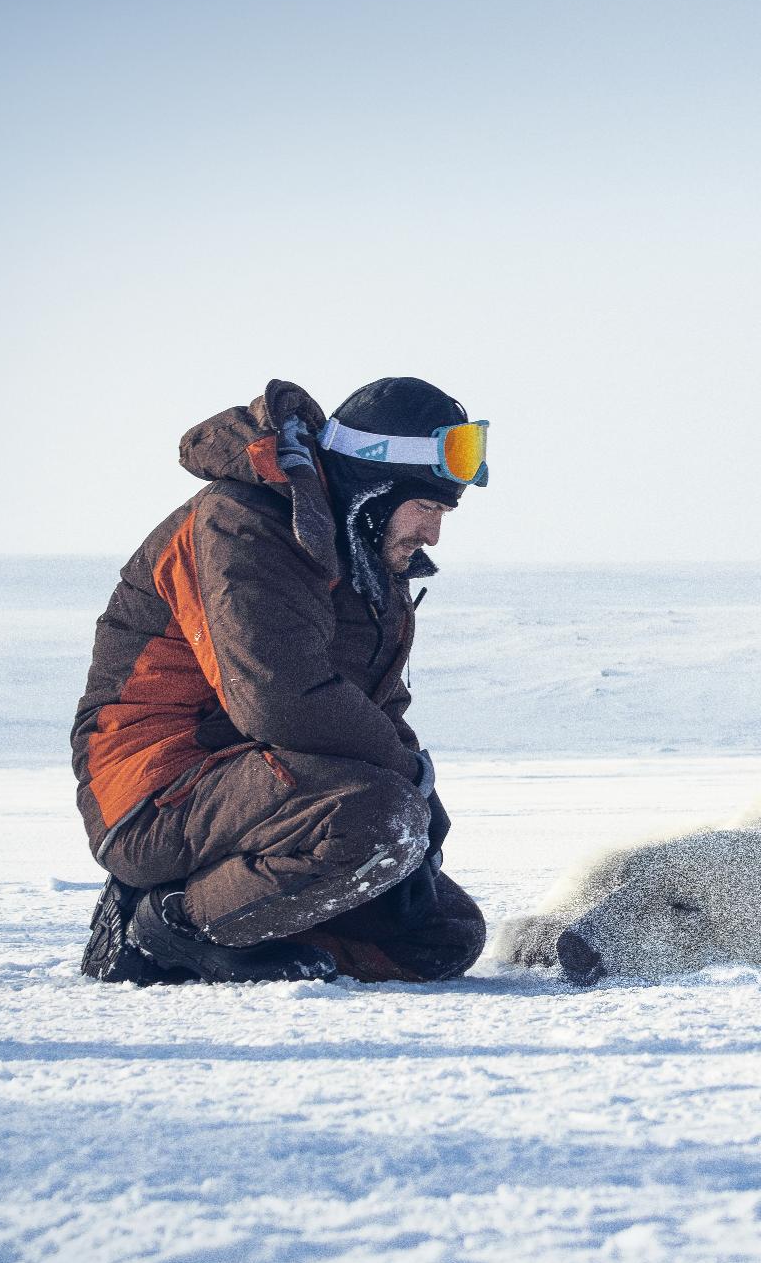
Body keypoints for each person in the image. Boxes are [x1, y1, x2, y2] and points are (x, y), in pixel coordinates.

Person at [71, 377, 491, 984]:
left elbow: (374, 703)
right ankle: (164, 925)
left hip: (262, 788)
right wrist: (406, 782)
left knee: (442, 937)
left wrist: (421, 793)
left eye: (444, 512)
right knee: (379, 822)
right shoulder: (244, 524)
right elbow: (278, 701)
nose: (433, 533)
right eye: (426, 506)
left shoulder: (359, 551)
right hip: (156, 786)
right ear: (375, 486)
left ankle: (260, 927)